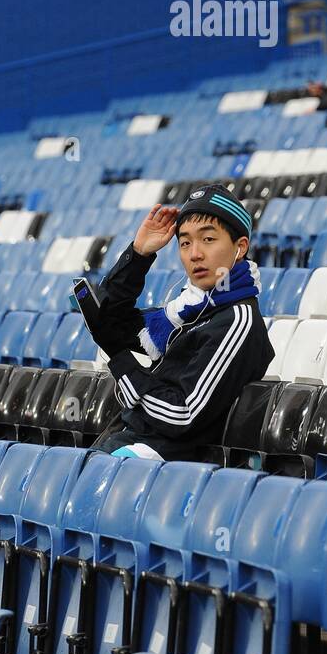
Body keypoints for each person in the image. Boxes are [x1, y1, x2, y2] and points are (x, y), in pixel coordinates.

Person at [83, 188, 275, 461]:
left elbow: (182, 415)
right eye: (185, 243)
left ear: (240, 247)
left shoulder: (236, 321)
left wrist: (121, 361)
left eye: (208, 239)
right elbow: (113, 323)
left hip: (162, 462)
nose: (195, 254)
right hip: (130, 439)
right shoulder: (186, 311)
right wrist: (138, 255)